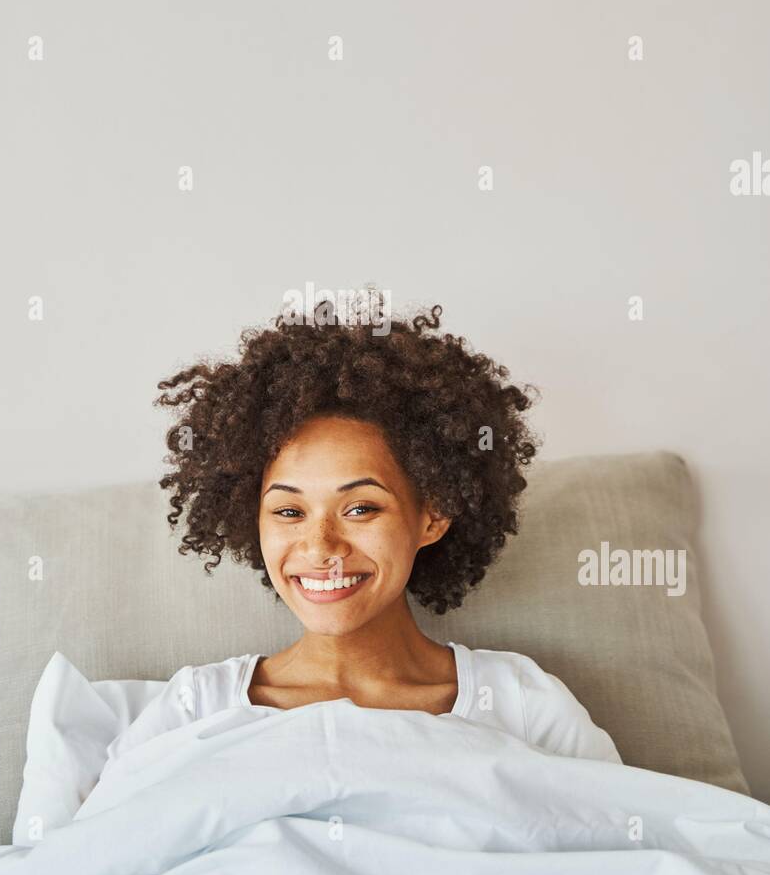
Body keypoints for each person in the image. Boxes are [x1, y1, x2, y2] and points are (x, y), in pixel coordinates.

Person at [106, 292, 621, 767]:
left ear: (433, 516)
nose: (321, 546)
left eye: (360, 509)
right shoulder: (196, 710)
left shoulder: (523, 706)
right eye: (289, 512)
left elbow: (630, 849)